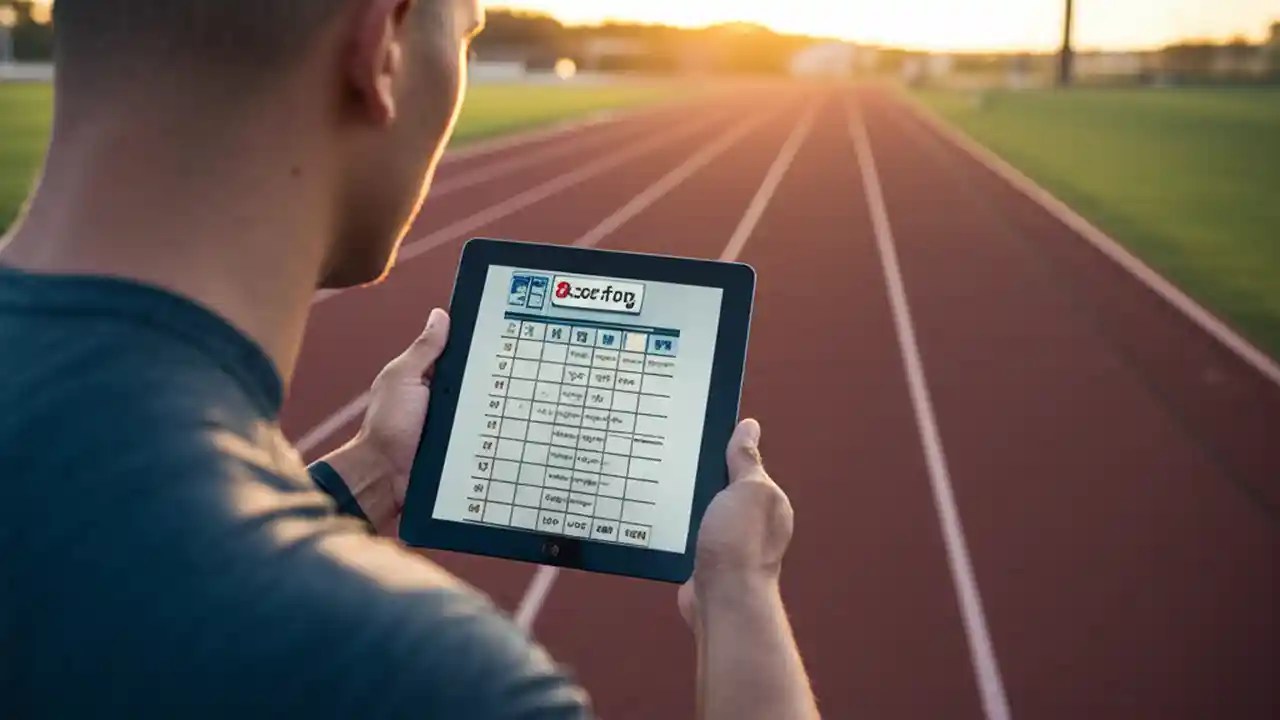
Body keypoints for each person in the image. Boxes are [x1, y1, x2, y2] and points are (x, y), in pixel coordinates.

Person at [0, 1, 819, 718]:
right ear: (383, 46)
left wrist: (379, 470)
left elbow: (121, 576)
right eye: (465, 33)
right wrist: (740, 595)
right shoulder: (420, 682)